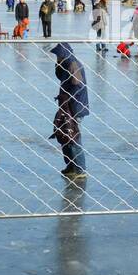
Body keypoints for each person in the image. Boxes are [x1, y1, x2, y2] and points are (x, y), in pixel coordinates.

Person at [49, 43, 88, 179]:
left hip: (75, 108)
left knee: (73, 138)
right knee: (66, 136)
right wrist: (58, 65)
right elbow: (61, 77)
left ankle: (80, 169)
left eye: (58, 55)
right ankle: (71, 165)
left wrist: (67, 97)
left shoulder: (72, 64)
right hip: (68, 108)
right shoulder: (67, 63)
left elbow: (77, 85)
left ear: (63, 54)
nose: (57, 58)